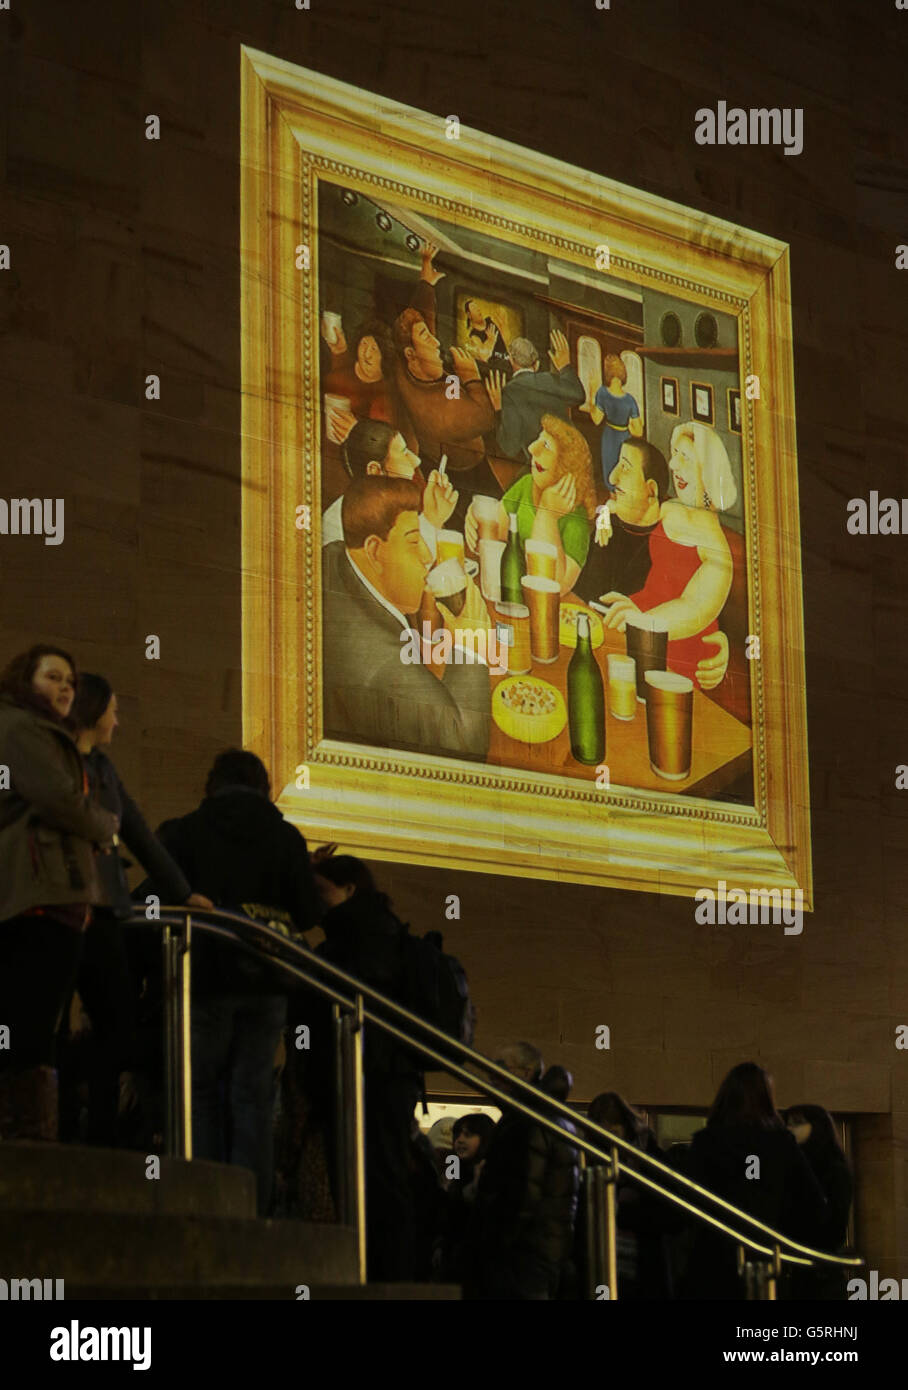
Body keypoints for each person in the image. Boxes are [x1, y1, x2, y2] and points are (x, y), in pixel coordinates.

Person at [143, 749, 322, 1215]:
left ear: (212, 782)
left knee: (198, 1091)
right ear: (263, 785)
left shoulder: (184, 831)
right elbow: (308, 913)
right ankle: (249, 1207)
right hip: (265, 981)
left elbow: (157, 896)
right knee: (253, 1096)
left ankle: (204, 1201)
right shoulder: (286, 838)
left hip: (201, 976)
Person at [63, 672, 211, 1146]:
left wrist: (183, 891)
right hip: (57, 907)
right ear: (92, 712)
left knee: (116, 1029)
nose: (118, 720)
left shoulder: (105, 769)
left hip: (106, 910)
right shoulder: (50, 759)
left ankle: (97, 1134)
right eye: (113, 710)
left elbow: (141, 834)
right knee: (52, 1024)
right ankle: (62, 1127)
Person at [0, 645, 119, 1141]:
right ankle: (28, 1138)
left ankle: (30, 1133)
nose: (66, 687)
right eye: (53, 677)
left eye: (70, 679)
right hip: (38, 893)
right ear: (26, 681)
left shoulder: (44, 731)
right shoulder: (19, 727)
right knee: (28, 1022)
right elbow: (58, 799)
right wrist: (105, 826)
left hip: (57, 897)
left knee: (36, 1020)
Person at [322, 475, 492, 760]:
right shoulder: (384, 669)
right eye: (415, 543)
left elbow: (390, 547)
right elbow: (466, 746)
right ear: (375, 550)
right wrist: (471, 645)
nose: (427, 555)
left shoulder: (336, 556)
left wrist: (428, 523)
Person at [312, 855, 422, 1282]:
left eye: (322, 892)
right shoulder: (383, 929)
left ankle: (380, 1277)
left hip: (368, 1076)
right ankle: (386, 1276)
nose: (317, 905)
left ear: (349, 890)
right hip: (386, 1077)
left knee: (372, 1182)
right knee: (382, 1181)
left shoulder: (358, 935)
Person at [670, 1062, 828, 1298]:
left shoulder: (708, 1142)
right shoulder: (781, 1143)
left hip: (712, 1261)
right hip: (767, 1258)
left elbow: (686, 1203)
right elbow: (815, 1204)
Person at [584, 438, 729, 691]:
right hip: (640, 619)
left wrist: (640, 620)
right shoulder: (673, 508)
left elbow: (694, 606)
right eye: (674, 454)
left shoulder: (716, 546)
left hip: (674, 645)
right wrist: (606, 512)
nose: (673, 464)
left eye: (684, 457)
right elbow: (636, 508)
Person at [391, 242, 498, 524]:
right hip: (463, 471)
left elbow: (420, 320)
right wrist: (471, 376)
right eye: (427, 339)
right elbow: (484, 418)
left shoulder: (409, 367)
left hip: (453, 421)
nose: (436, 341)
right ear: (412, 355)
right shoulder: (437, 412)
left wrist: (425, 283)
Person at [466, 1041, 579, 1300]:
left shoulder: (528, 1119)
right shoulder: (547, 1114)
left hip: (522, 1255)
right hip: (539, 1251)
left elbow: (523, 1194)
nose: (492, 1076)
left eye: (501, 1068)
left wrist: (495, 1244)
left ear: (527, 1072)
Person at [465, 415, 597, 596]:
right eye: (538, 440)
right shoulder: (527, 484)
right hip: (508, 592)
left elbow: (552, 586)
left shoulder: (576, 520)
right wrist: (475, 519)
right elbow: (495, 534)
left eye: (547, 446)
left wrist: (547, 516)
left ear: (567, 467)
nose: (532, 449)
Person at [321, 417, 457, 558]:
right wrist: (431, 520)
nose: (416, 461)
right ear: (375, 470)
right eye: (404, 452)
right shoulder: (338, 522)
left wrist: (434, 518)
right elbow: (405, 572)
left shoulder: (399, 504)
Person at [584, 1091, 674, 1300]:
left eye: (614, 1130)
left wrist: (622, 1214)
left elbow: (669, 1216)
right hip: (617, 1261)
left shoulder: (649, 1160)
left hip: (639, 1263)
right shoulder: (599, 1156)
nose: (611, 1140)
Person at [782, 1104, 853, 1299]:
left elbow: (836, 1225)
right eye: (787, 1124)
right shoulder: (791, 1164)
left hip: (821, 1273)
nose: (790, 1129)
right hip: (795, 1272)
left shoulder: (833, 1168)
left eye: (797, 1123)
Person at [487, 331, 585, 466]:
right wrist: (565, 366)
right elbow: (578, 395)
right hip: (574, 458)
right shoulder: (550, 379)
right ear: (536, 364)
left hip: (547, 467)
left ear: (511, 360)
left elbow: (510, 447)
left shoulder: (510, 391)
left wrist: (498, 410)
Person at [320, 316, 397, 440]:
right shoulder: (344, 367)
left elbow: (382, 439)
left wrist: (357, 431)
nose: (367, 354)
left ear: (385, 355)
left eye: (374, 349)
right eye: (364, 344)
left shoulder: (386, 395)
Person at [589, 352, 642, 486]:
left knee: (611, 475)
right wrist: (628, 427)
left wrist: (591, 396)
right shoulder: (630, 400)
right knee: (623, 475)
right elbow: (639, 432)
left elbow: (596, 419)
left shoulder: (602, 393)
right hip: (625, 438)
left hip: (609, 437)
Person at [463, 298, 510, 370]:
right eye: (474, 308)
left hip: (507, 362)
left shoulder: (491, 320)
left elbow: (506, 340)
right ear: (469, 315)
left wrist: (504, 324)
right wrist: (490, 340)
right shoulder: (474, 336)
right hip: (495, 369)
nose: (478, 309)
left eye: (477, 307)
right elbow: (484, 357)